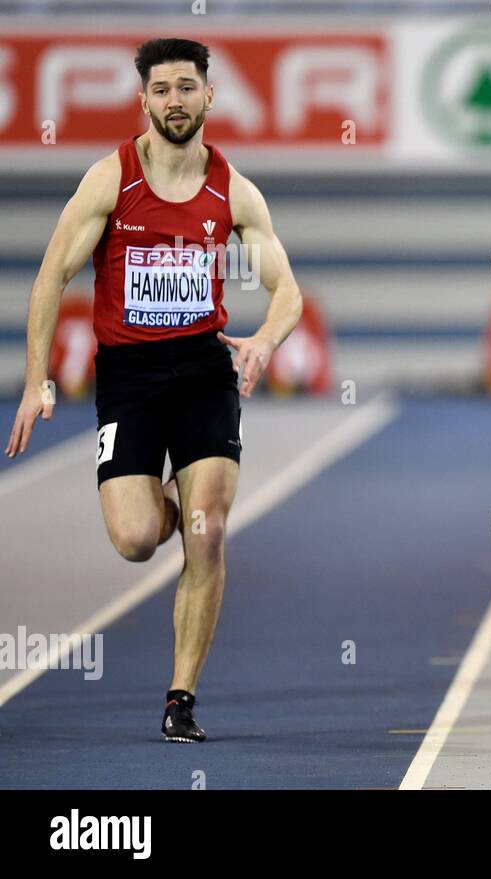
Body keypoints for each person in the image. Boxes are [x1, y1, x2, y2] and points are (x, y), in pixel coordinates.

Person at [5, 38, 303, 741]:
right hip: (130, 380)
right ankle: (176, 513)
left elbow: (285, 286)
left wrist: (263, 340)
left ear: (209, 96)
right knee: (138, 537)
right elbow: (51, 277)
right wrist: (34, 379)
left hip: (203, 372)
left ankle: (180, 699)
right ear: (143, 99)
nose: (175, 100)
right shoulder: (110, 181)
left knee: (210, 533)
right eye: (162, 88)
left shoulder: (234, 190)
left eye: (187, 87)